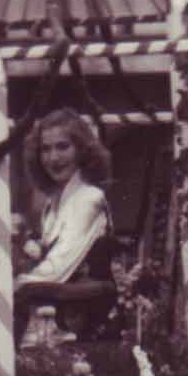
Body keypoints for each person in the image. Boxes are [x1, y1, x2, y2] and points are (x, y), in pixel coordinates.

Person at [16, 107, 113, 293]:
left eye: (62, 147)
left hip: (83, 314)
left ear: (82, 151)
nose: (53, 158)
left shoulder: (89, 198)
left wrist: (9, 287)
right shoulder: (51, 204)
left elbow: (55, 270)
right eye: (45, 149)